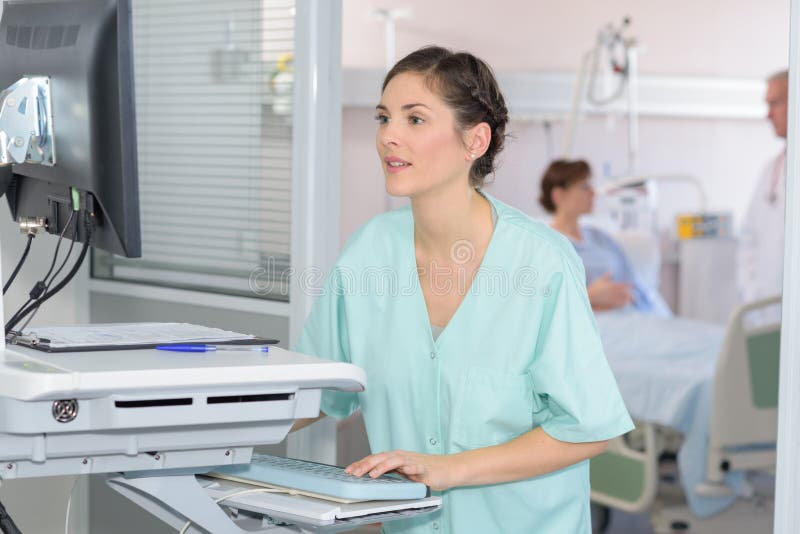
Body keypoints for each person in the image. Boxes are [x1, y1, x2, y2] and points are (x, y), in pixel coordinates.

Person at [293, 46, 633, 534]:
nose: (389, 135)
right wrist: (188, 422)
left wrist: (450, 469)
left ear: (475, 141)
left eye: (414, 120)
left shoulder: (541, 262)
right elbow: (316, 393)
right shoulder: (367, 254)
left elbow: (588, 430)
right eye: (384, 117)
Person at [539, 159, 671, 316]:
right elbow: (542, 308)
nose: (593, 193)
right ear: (559, 196)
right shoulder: (545, 246)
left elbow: (635, 288)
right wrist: (589, 297)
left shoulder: (601, 238)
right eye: (584, 187)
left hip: (630, 317)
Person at [738, 70, 787, 310]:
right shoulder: (771, 171)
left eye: (775, 103)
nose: (768, 115)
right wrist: (751, 294)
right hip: (765, 312)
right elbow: (749, 237)